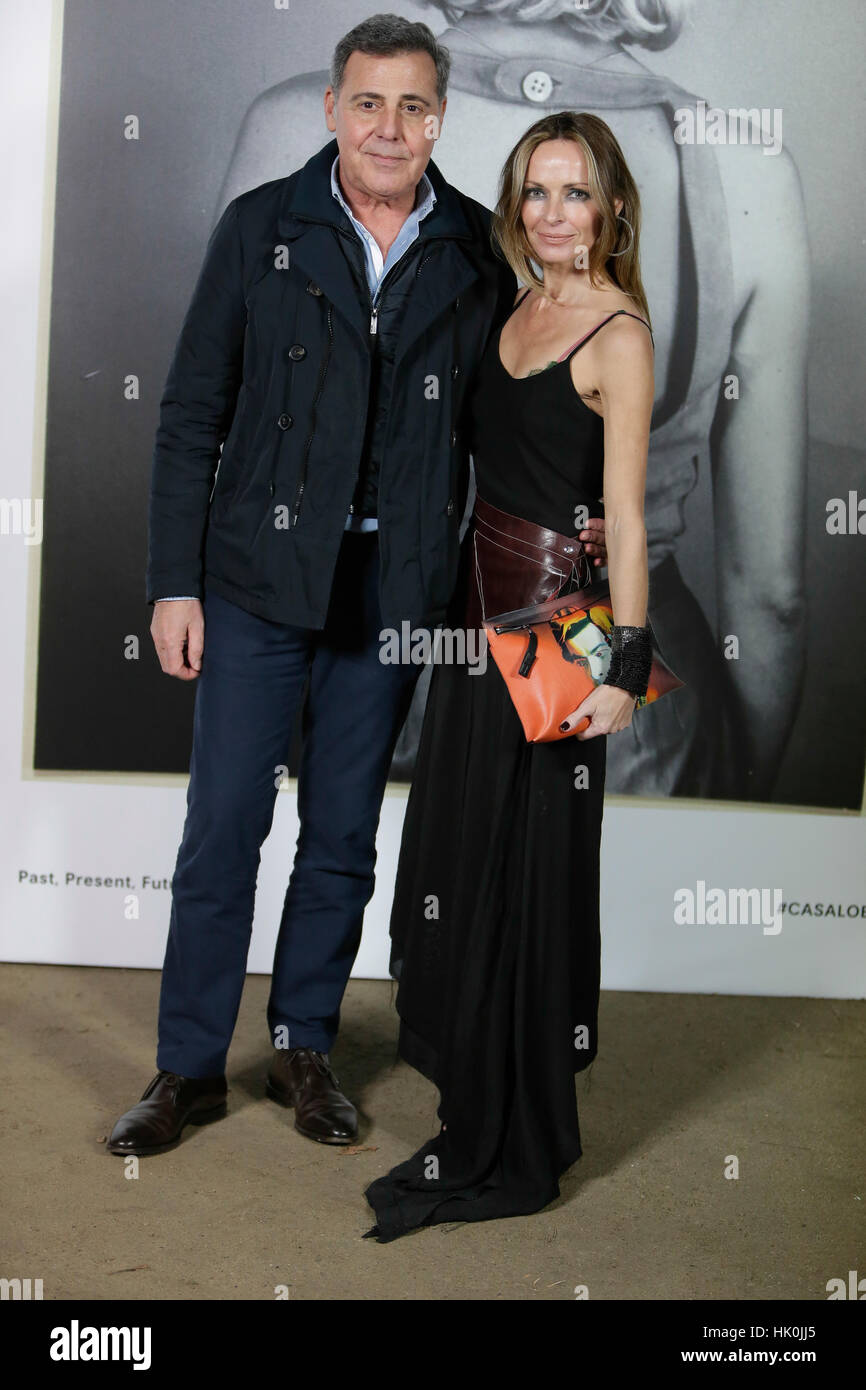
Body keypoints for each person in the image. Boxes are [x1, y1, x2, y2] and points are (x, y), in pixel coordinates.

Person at [106, 15, 610, 1158]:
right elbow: (191, 413)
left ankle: (303, 1044)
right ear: (331, 109)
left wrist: (584, 638)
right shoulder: (260, 229)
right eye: (368, 104)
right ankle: (183, 1066)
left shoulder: (480, 252)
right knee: (223, 828)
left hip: (396, 585)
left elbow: (533, 441)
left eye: (413, 108)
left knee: (340, 831)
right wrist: (171, 585)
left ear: (441, 119)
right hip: (249, 577)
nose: (390, 128)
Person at [216, 0, 808, 801]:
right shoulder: (749, 168)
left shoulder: (296, 127)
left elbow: (239, 482)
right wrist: (744, 795)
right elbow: (769, 598)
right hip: (620, 708)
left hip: (371, 677)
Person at [364, 110, 655, 1241]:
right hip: (472, 618)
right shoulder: (511, 298)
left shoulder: (616, 335)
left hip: (555, 629)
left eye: (574, 193)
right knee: (458, 856)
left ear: (611, 208)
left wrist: (622, 667)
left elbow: (622, 519)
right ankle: (469, 1088)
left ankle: (518, 1126)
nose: (551, 213)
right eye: (534, 192)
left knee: (530, 871)